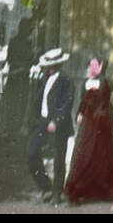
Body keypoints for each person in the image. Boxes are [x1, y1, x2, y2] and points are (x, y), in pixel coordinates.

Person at [64, 57, 113, 207]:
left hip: (101, 123)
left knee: (103, 155)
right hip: (88, 123)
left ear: (101, 67)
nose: (91, 67)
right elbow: (82, 101)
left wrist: (97, 78)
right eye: (90, 65)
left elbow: (103, 98)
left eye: (95, 65)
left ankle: (107, 191)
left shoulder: (105, 82)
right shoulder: (85, 83)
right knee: (82, 153)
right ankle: (78, 191)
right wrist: (80, 113)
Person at [26, 47, 73, 204]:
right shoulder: (44, 79)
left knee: (59, 158)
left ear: (59, 65)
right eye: (48, 65)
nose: (50, 68)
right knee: (31, 152)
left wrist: (56, 121)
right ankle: (45, 186)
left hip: (58, 125)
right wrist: (31, 121)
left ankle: (57, 193)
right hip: (43, 121)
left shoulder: (66, 81)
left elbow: (67, 104)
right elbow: (37, 101)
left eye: (53, 65)